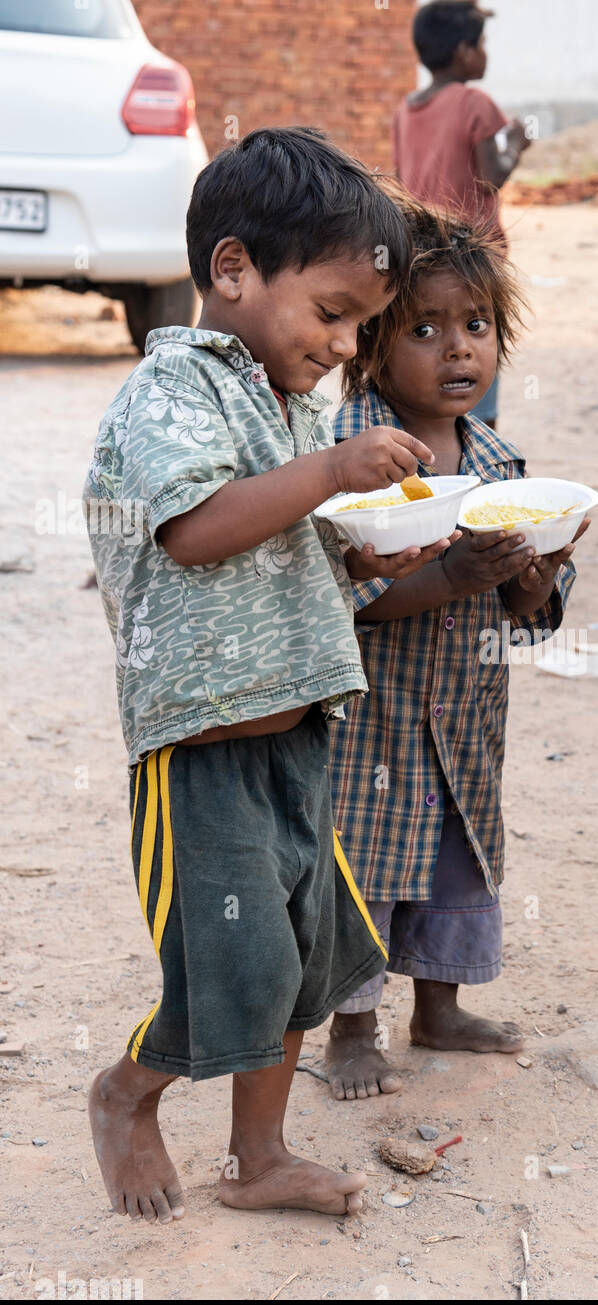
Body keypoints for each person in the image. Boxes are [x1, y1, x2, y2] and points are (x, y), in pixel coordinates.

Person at [83, 127, 447, 1223]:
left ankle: (260, 1155)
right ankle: (127, 1092)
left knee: (300, 953)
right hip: (200, 749)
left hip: (295, 733)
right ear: (233, 270)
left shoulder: (294, 404)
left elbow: (292, 539)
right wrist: (333, 469)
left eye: (359, 326)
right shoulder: (173, 391)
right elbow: (194, 530)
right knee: (228, 968)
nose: (343, 344)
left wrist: (361, 545)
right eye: (331, 313)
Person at [324, 199, 588, 1100]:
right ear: (369, 346)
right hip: (371, 721)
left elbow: (526, 606)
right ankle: (351, 1028)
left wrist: (537, 571)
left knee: (453, 853)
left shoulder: (502, 464)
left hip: (464, 714)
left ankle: (438, 1007)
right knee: (360, 861)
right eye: (426, 330)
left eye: (476, 326)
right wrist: (454, 578)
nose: (459, 350)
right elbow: (345, 590)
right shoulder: (352, 450)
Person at [393, 0, 530, 427]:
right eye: (482, 43)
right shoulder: (475, 104)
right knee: (474, 348)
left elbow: (402, 181)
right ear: (462, 51)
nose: (485, 52)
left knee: (430, 356)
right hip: (472, 259)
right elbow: (492, 177)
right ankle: (479, 451)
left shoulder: (406, 110)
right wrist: (517, 147)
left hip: (418, 258)